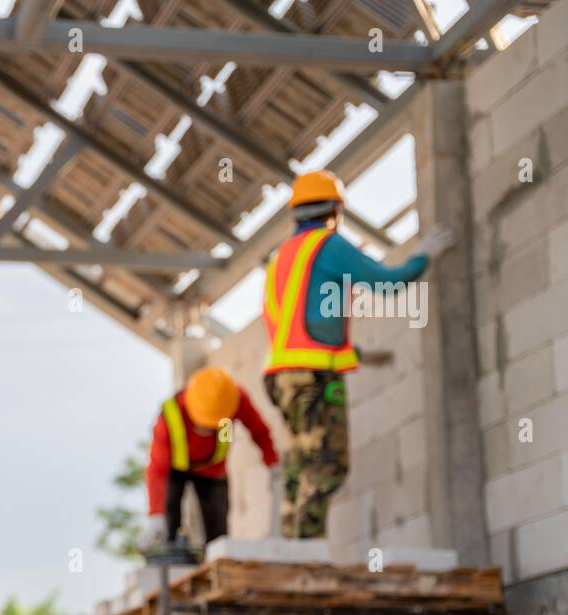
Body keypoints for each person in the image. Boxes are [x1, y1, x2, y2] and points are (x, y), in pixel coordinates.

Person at [263, 170, 455, 538]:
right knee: (329, 464)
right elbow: (388, 283)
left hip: (281, 377)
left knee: (299, 465)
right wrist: (423, 257)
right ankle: (306, 551)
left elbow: (298, 323)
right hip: (314, 377)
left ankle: (290, 547)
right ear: (335, 210)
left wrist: (355, 352)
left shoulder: (282, 257)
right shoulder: (327, 245)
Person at [140, 365, 279, 548]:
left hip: (214, 469)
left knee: (218, 530)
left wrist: (273, 462)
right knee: (169, 523)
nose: (208, 430)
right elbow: (157, 470)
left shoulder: (235, 400)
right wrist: (156, 513)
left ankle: (214, 566)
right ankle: (172, 553)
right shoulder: (172, 413)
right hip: (176, 469)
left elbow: (259, 431)